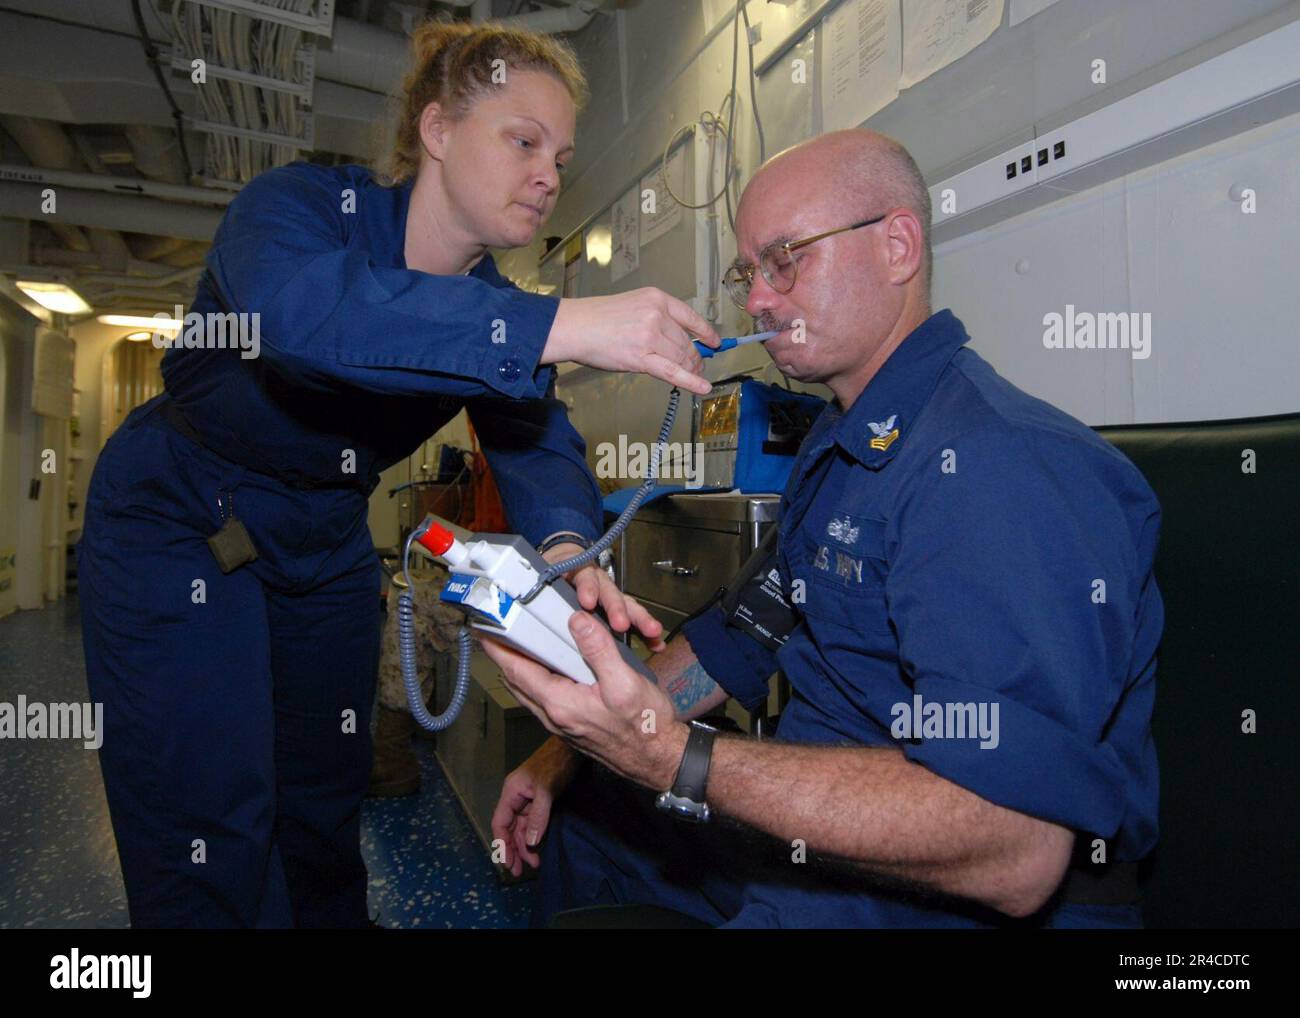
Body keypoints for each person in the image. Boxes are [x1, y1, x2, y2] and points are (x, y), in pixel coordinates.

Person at [77, 20, 715, 929]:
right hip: (179, 509)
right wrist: (553, 327)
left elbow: (533, 438)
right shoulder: (289, 210)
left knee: (322, 798)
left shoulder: (491, 300)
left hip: (323, 535)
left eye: (561, 157)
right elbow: (303, 322)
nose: (549, 175)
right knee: (211, 812)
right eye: (523, 140)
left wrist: (571, 553)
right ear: (438, 131)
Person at [485, 128, 1164, 928]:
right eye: (749, 274)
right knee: (586, 814)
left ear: (898, 247)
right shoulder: (841, 451)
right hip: (820, 846)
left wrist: (674, 758)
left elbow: (1013, 847)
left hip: (940, 890)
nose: (759, 299)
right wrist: (572, 751)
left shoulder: (998, 468)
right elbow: (736, 643)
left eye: (787, 259)